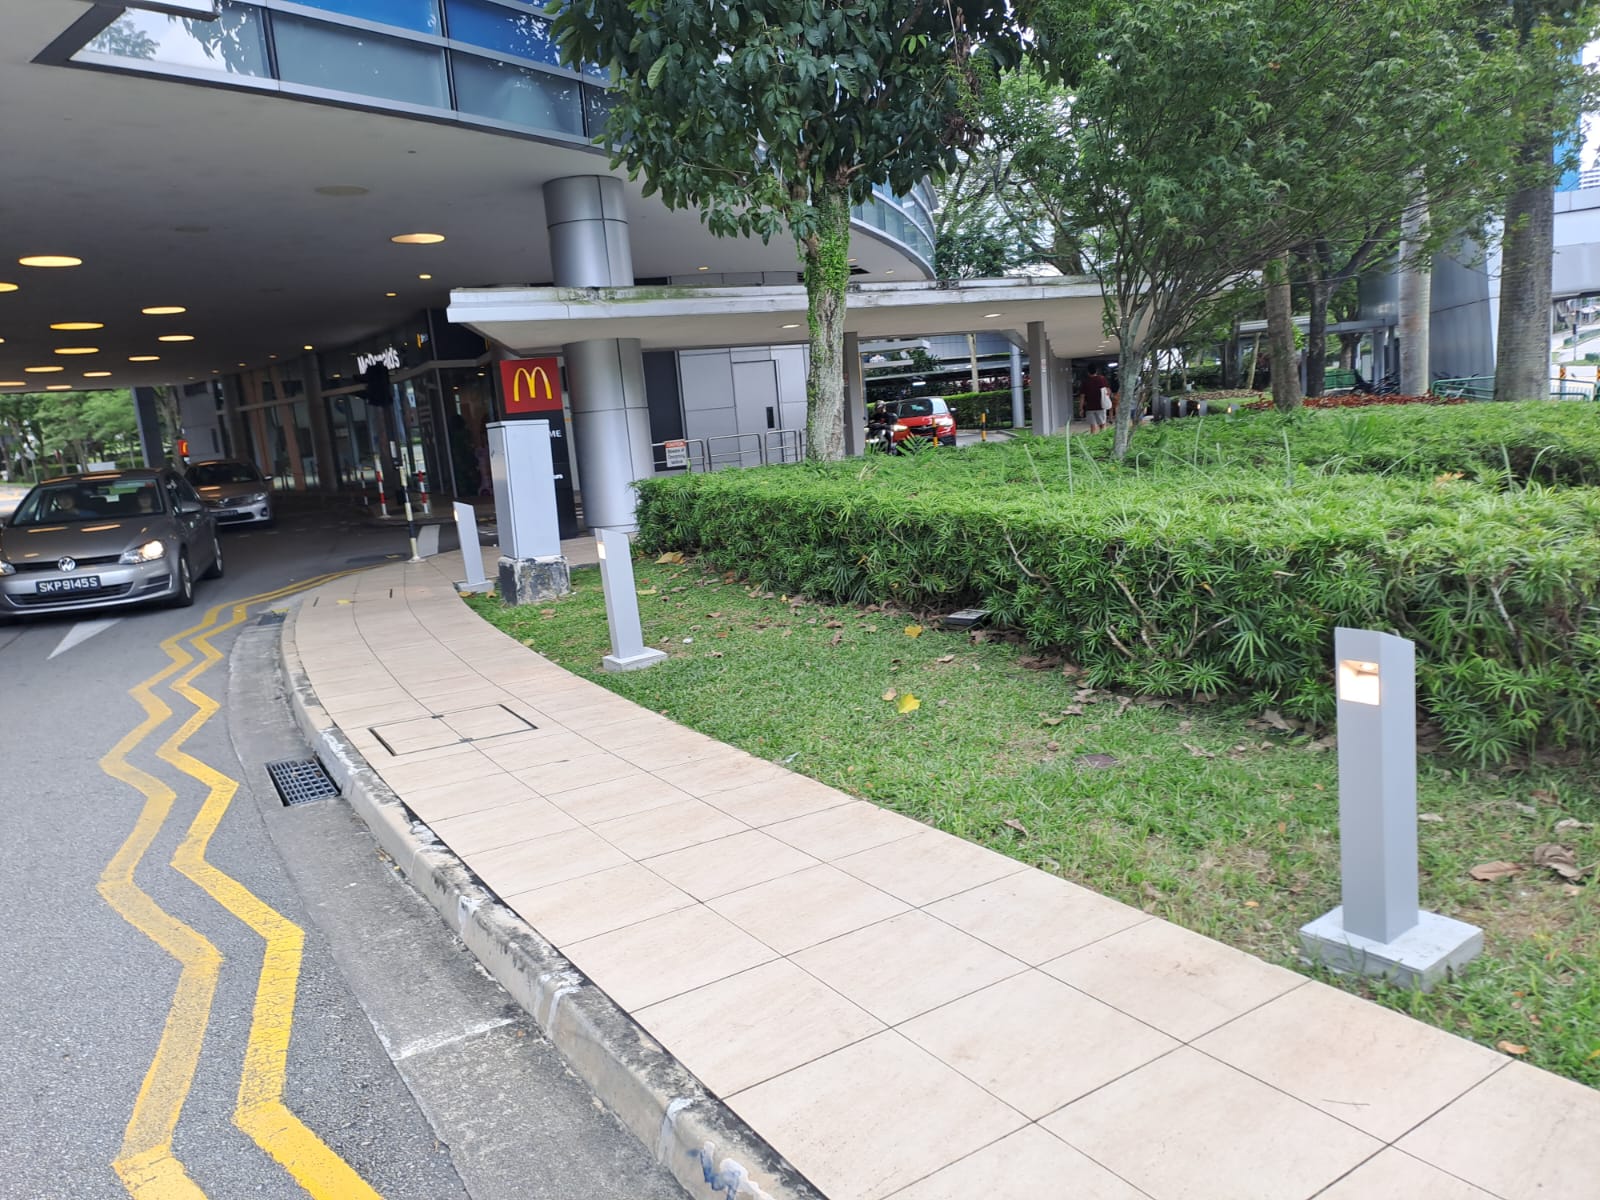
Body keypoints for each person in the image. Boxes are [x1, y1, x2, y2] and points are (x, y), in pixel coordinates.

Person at [1082, 368, 1112, 432]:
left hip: (1089, 407)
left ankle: (1093, 439)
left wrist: (1081, 408)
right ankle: (1103, 439)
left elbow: (1082, 396)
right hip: (1101, 405)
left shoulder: (1086, 381)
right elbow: (1108, 391)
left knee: (1093, 426)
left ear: (1088, 372)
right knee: (1102, 424)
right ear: (1096, 371)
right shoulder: (1102, 379)